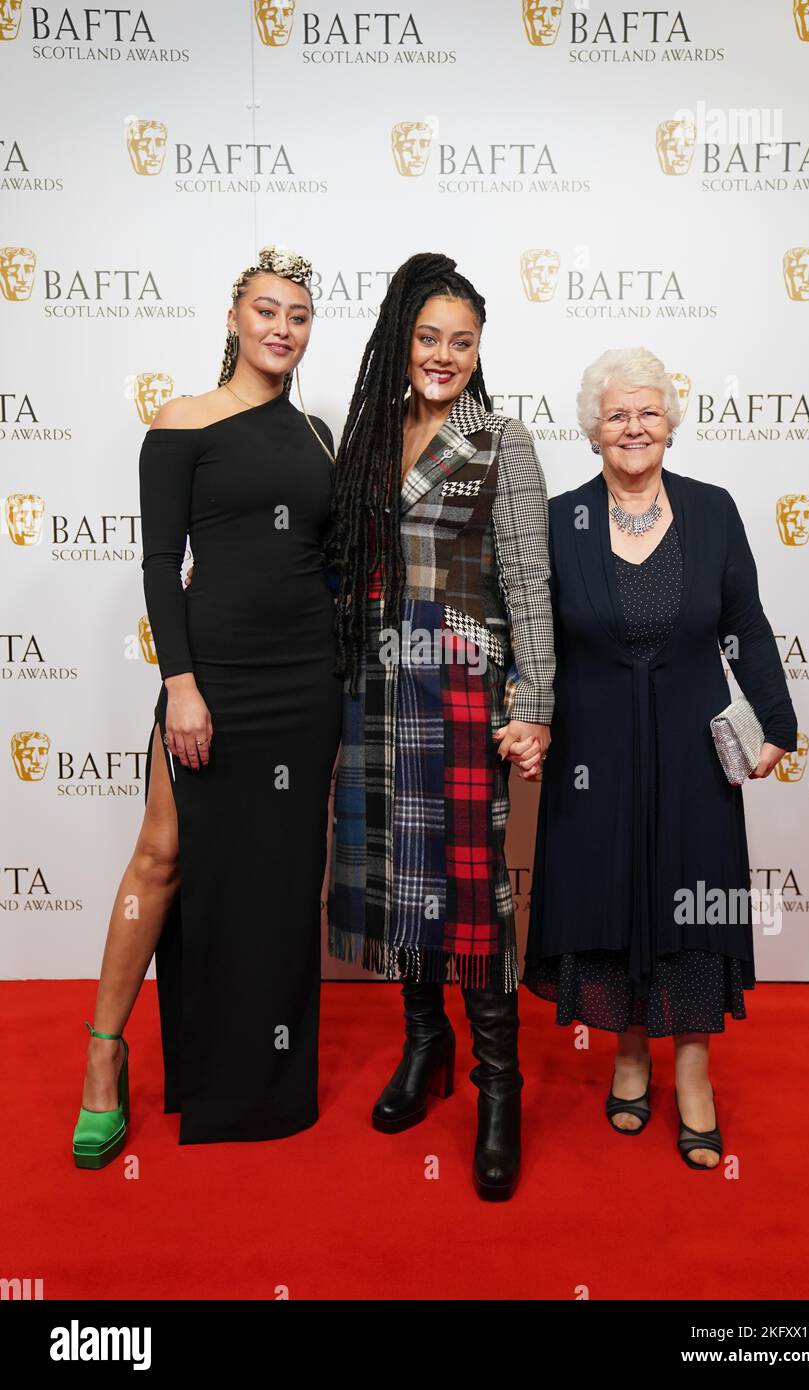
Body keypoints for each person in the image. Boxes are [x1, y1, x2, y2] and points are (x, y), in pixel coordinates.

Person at [71, 245, 341, 1166]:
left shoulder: (315, 435)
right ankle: (103, 1058)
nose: (283, 328)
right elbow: (158, 563)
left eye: (299, 315)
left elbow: (323, 561)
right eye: (267, 310)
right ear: (234, 319)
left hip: (307, 681)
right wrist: (181, 682)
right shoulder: (183, 421)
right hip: (215, 672)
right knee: (164, 851)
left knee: (278, 876)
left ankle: (253, 1080)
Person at [523, 346, 798, 1169]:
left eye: (647, 411)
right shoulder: (562, 518)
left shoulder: (713, 511)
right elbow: (535, 634)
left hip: (689, 744)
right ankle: (631, 1056)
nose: (633, 426)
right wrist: (525, 713)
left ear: (670, 423)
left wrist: (776, 720)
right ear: (593, 431)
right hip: (592, 750)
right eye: (616, 414)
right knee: (611, 901)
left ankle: (694, 1074)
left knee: (691, 904)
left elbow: (744, 625)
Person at [326, 252, 555, 1201]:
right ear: (400, 341)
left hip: (463, 692)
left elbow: (530, 585)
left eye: (462, 341)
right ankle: (425, 1044)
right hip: (375, 691)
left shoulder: (504, 440)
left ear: (479, 351)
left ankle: (496, 1087)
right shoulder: (369, 442)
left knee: (471, 891)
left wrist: (533, 702)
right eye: (429, 337)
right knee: (396, 877)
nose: (445, 354)